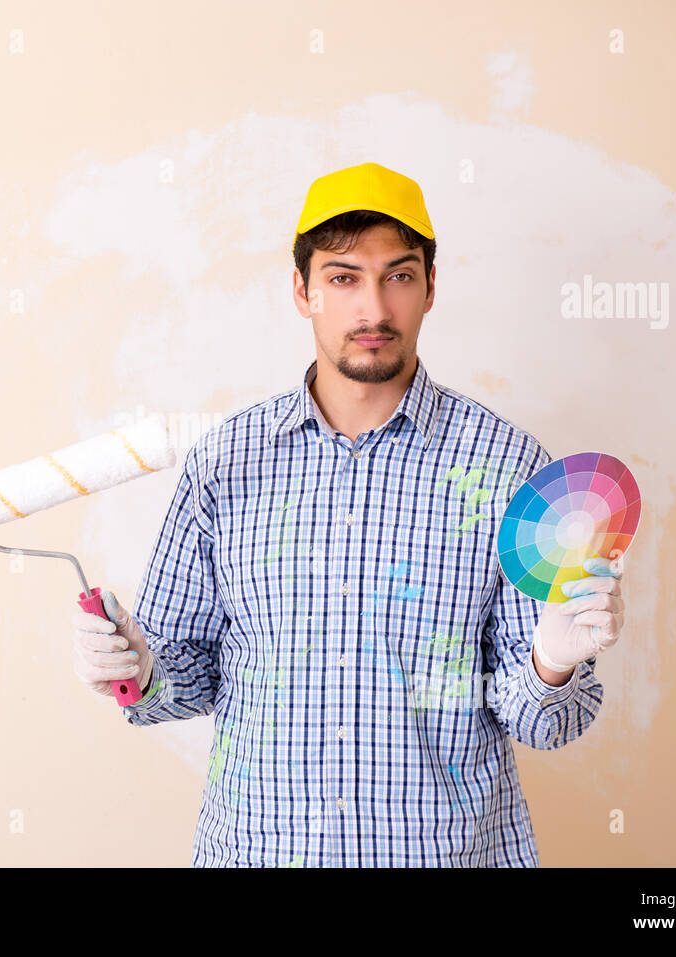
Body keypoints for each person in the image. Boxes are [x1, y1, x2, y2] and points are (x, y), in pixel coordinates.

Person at [71, 162, 625, 867]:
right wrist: (138, 666)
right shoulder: (225, 462)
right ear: (302, 291)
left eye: (398, 275)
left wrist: (551, 664)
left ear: (430, 287)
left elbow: (546, 723)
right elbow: (184, 676)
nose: (374, 309)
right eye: (343, 277)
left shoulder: (508, 467)